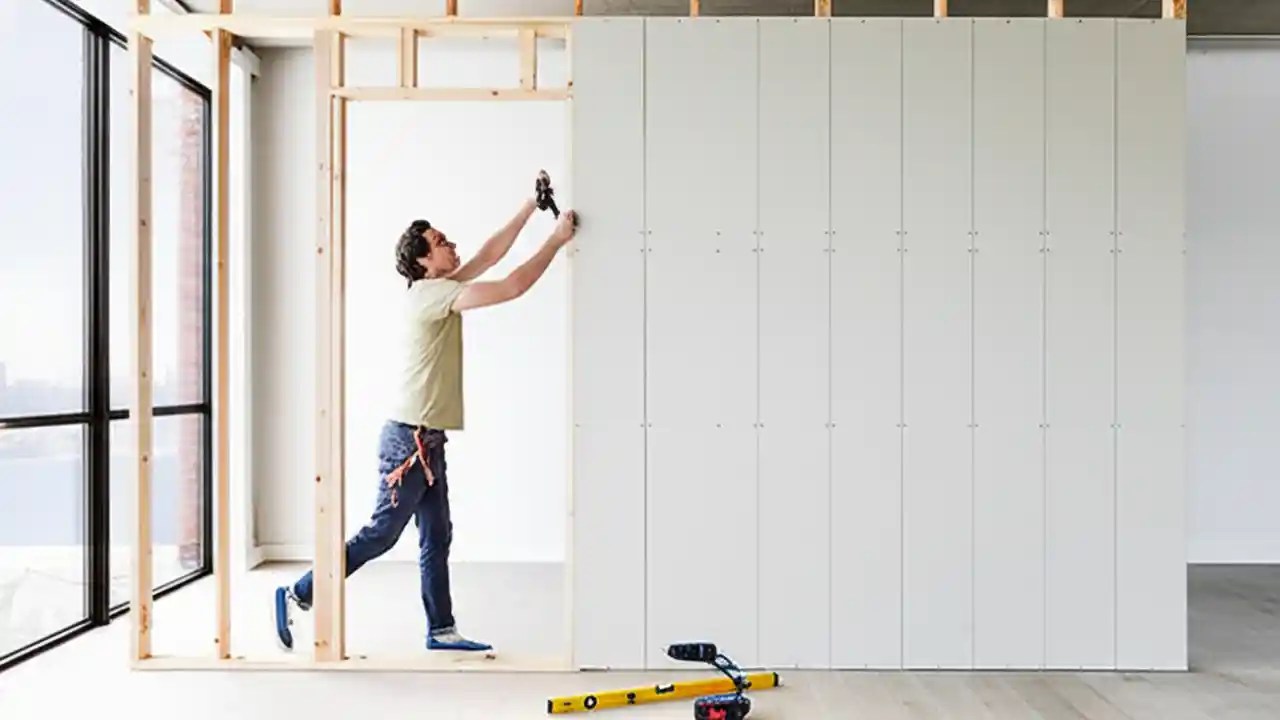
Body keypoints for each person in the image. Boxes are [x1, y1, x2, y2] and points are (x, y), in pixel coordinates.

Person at [273, 183, 578, 653]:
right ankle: (298, 592)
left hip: (426, 438)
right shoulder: (430, 296)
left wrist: (529, 207)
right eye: (440, 242)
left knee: (437, 535)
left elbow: (489, 255)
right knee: (382, 534)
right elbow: (511, 286)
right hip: (408, 442)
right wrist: (555, 241)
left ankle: (441, 629)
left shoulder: (440, 287)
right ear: (422, 261)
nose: (451, 245)